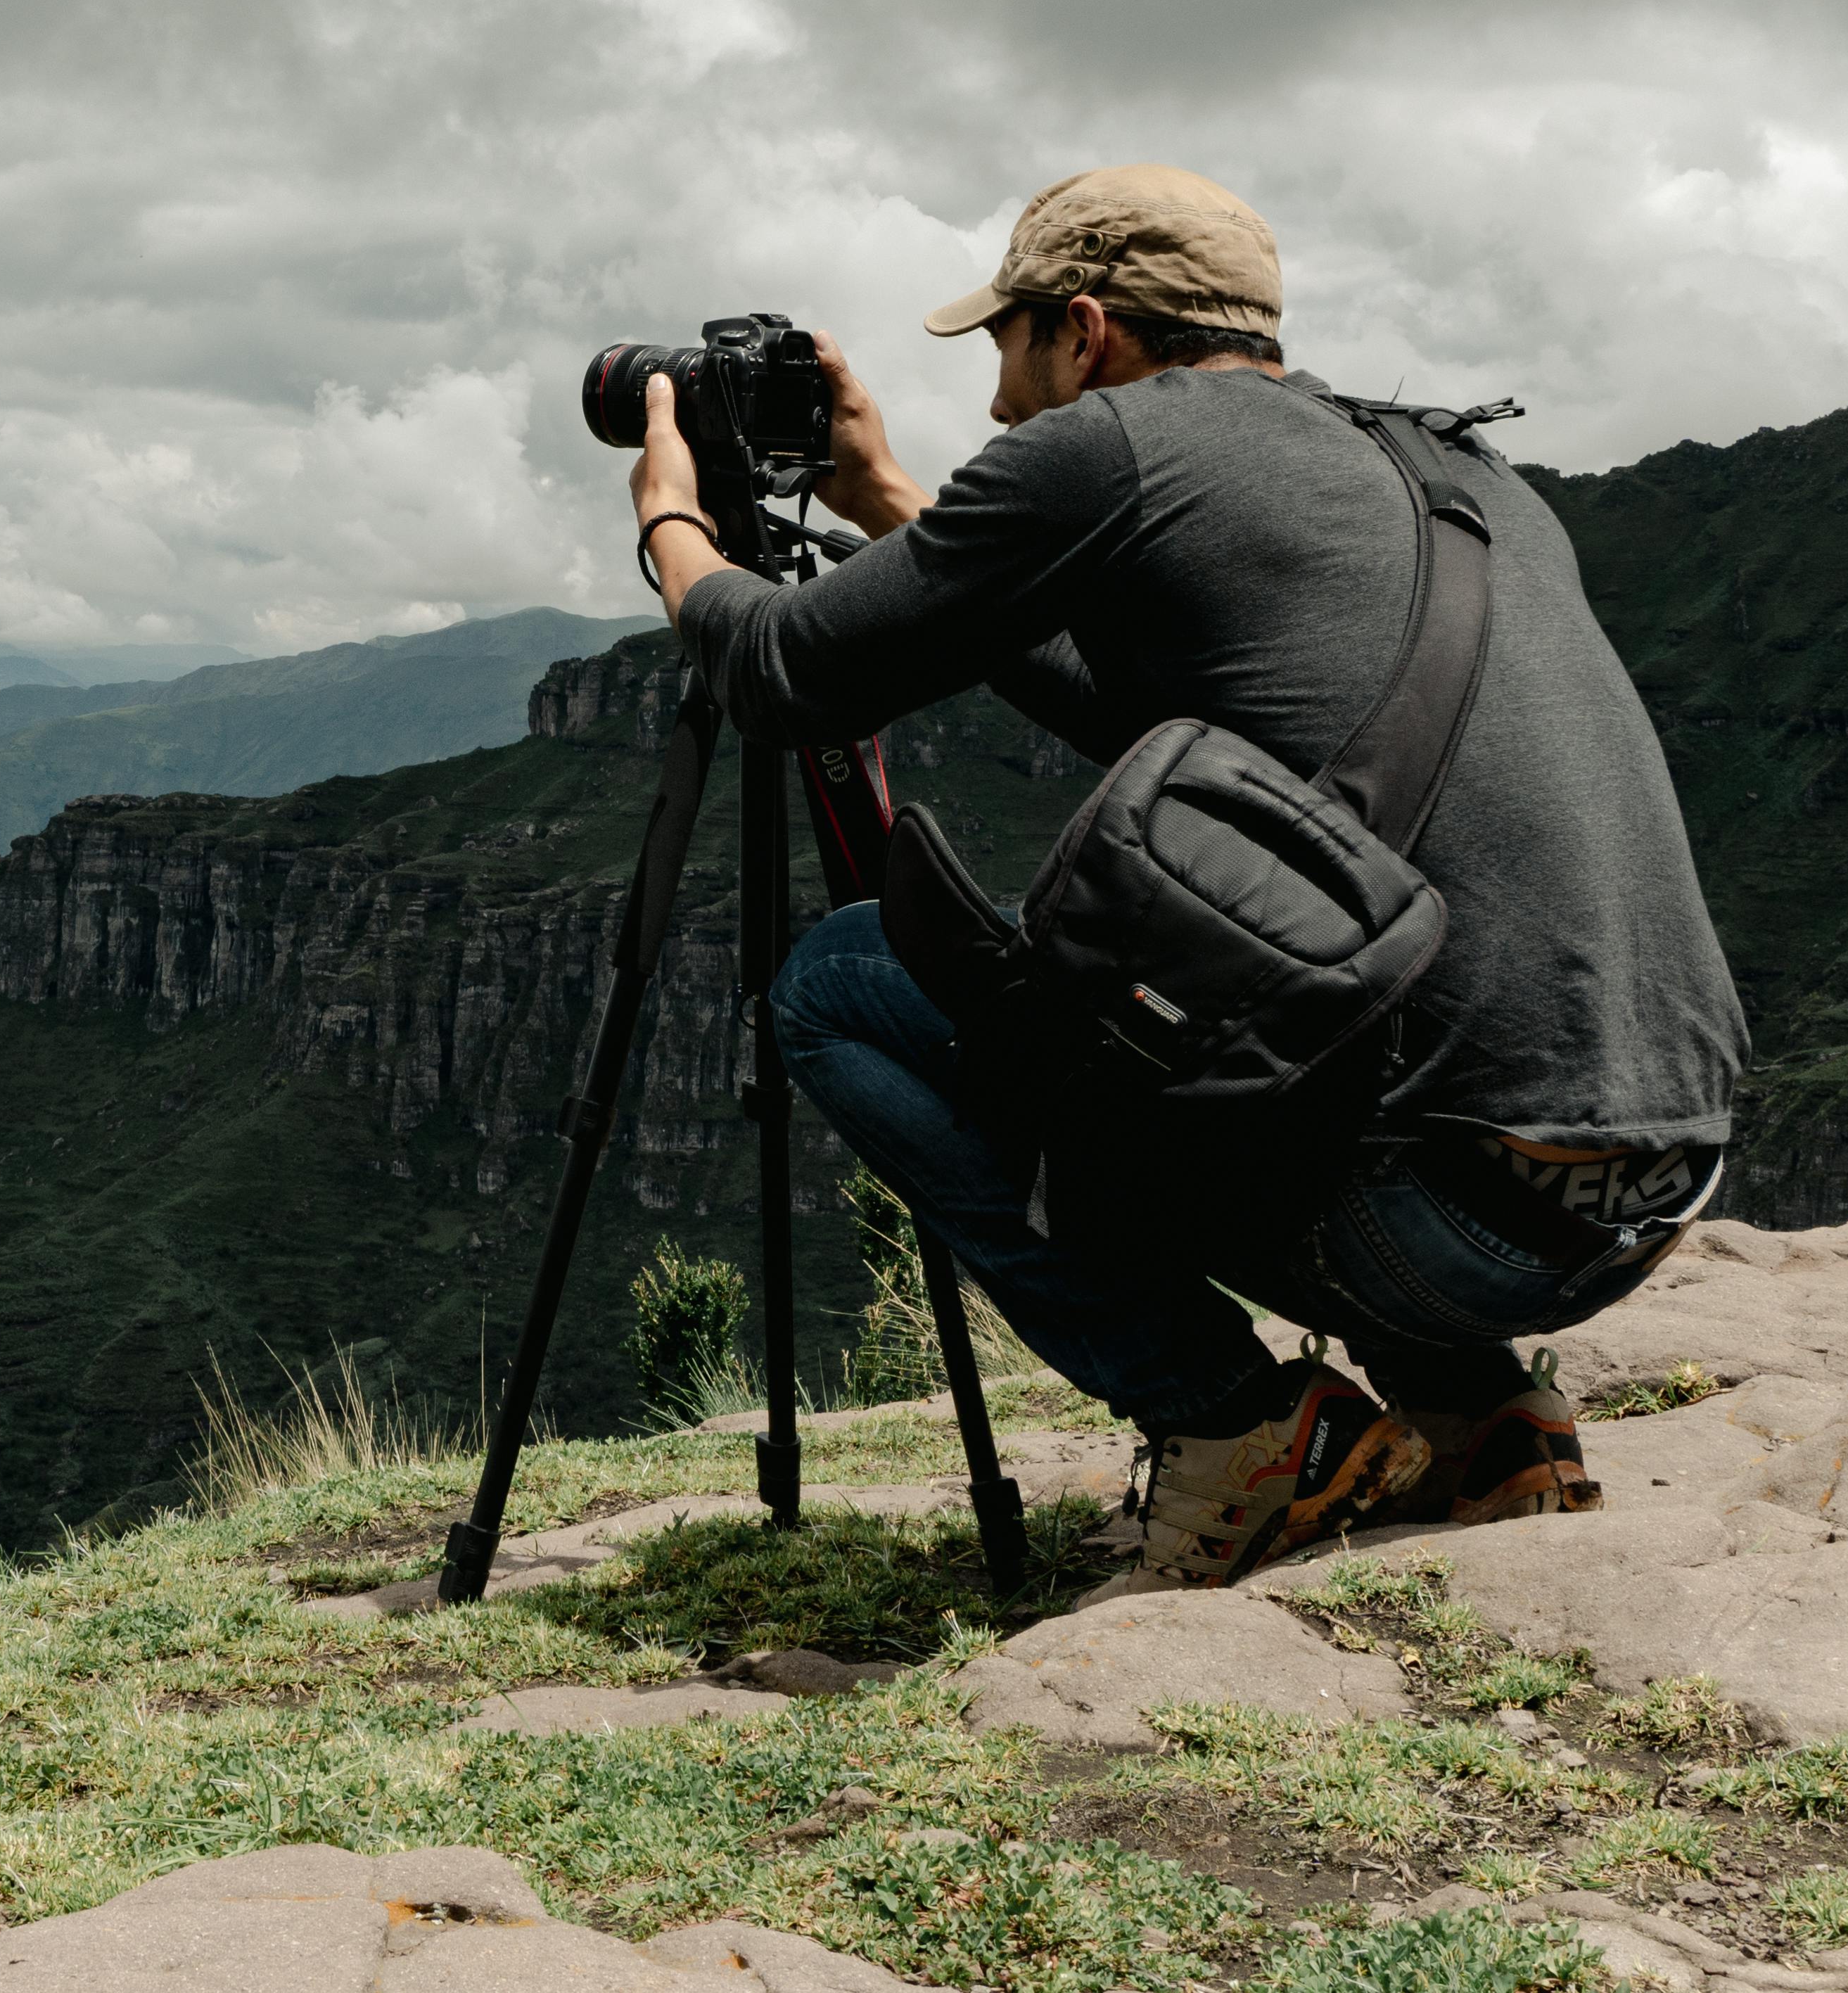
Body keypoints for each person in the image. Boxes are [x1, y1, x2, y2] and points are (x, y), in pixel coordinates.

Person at [623, 165, 1742, 1591]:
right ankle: (1477, 1415)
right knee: (1280, 999)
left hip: (1436, 1217)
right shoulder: (1463, 473)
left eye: (1007, 345)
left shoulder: (1106, 448)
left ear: (1084, 330)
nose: (998, 405)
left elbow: (781, 670)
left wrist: (672, 523)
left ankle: (1238, 1430)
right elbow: (1175, 719)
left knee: (842, 983)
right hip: (1643, 1193)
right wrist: (888, 497)